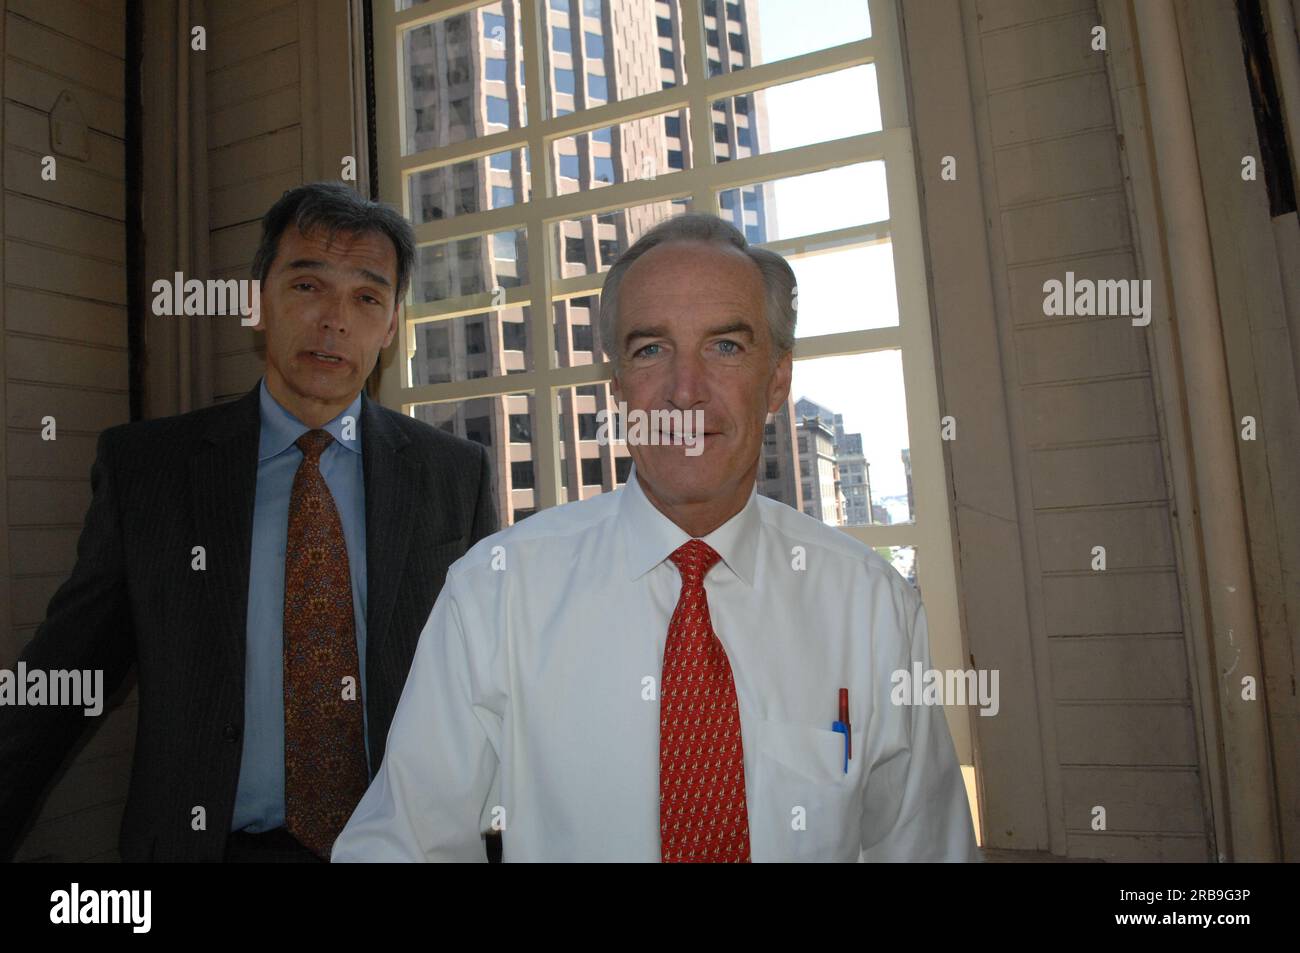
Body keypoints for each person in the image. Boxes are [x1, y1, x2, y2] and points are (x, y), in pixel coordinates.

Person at [333, 212, 979, 862]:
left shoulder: (872, 610)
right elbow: (401, 844)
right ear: (617, 384)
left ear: (777, 379)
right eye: (651, 350)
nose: (685, 391)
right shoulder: (495, 595)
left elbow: (928, 848)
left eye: (725, 346)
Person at [0, 183, 497, 862]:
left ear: (391, 327)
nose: (333, 320)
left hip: (404, 847)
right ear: (259, 301)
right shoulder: (150, 472)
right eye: (307, 286)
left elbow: (497, 690)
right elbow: (59, 683)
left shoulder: (454, 476)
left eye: (366, 297)